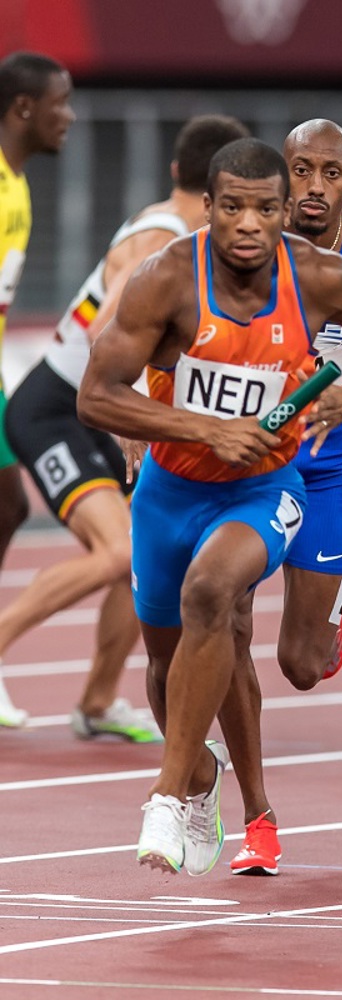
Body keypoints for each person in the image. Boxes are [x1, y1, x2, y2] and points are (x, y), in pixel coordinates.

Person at [77, 137, 342, 874]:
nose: (248, 224)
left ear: (285, 213)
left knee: (213, 591)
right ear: (209, 208)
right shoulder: (166, 279)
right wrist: (204, 429)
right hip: (170, 491)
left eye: (264, 209)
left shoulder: (324, 275)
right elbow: (95, 397)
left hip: (268, 487)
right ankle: (200, 781)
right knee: (166, 668)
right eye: (232, 207)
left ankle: (164, 798)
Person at [0, 115, 248, 743]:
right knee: (118, 550)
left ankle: (98, 700)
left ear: (175, 171)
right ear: (227, 186)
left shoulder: (186, 232)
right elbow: (104, 325)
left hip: (100, 413)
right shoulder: (160, 238)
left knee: (145, 552)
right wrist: (133, 410)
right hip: (58, 410)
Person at [217, 119, 342, 877]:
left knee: (302, 662)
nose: (314, 188)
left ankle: (330, 618)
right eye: (302, 171)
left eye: (331, 173)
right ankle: (257, 816)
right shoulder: (244, 240)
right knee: (225, 612)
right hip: (255, 465)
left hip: (330, 467)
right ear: (283, 174)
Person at [0, 51, 74, 726]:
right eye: (61, 103)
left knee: (8, 509)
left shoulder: (16, 184)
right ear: (24, 108)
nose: (70, 116)